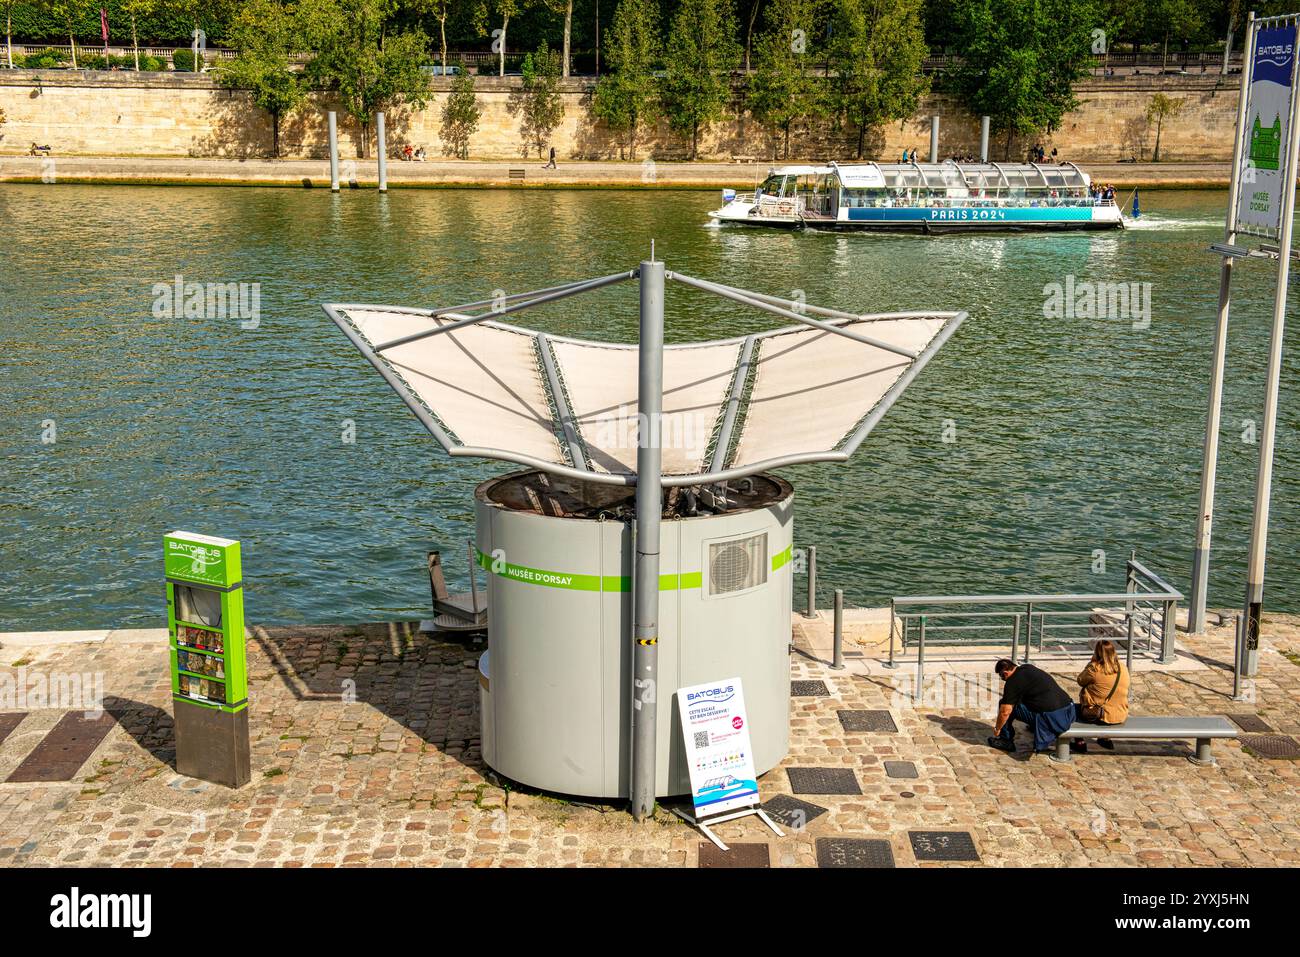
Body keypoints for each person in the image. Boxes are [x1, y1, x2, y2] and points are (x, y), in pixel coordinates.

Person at [988, 659, 1077, 754]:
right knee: (1026, 699)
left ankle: (1005, 740)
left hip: (1053, 719)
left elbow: (1005, 712)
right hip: (1068, 711)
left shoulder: (1012, 682)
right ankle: (1034, 725)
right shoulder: (1028, 667)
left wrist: (998, 728)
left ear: (1005, 673)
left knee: (1003, 704)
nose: (1003, 679)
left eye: (1002, 677)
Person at [1073, 639, 1129, 752]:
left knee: (1073, 711)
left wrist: (1091, 663)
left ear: (1097, 653)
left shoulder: (1094, 669)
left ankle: (1080, 742)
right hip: (1120, 714)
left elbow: (1080, 680)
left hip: (1098, 715)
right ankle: (1105, 739)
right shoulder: (1123, 668)